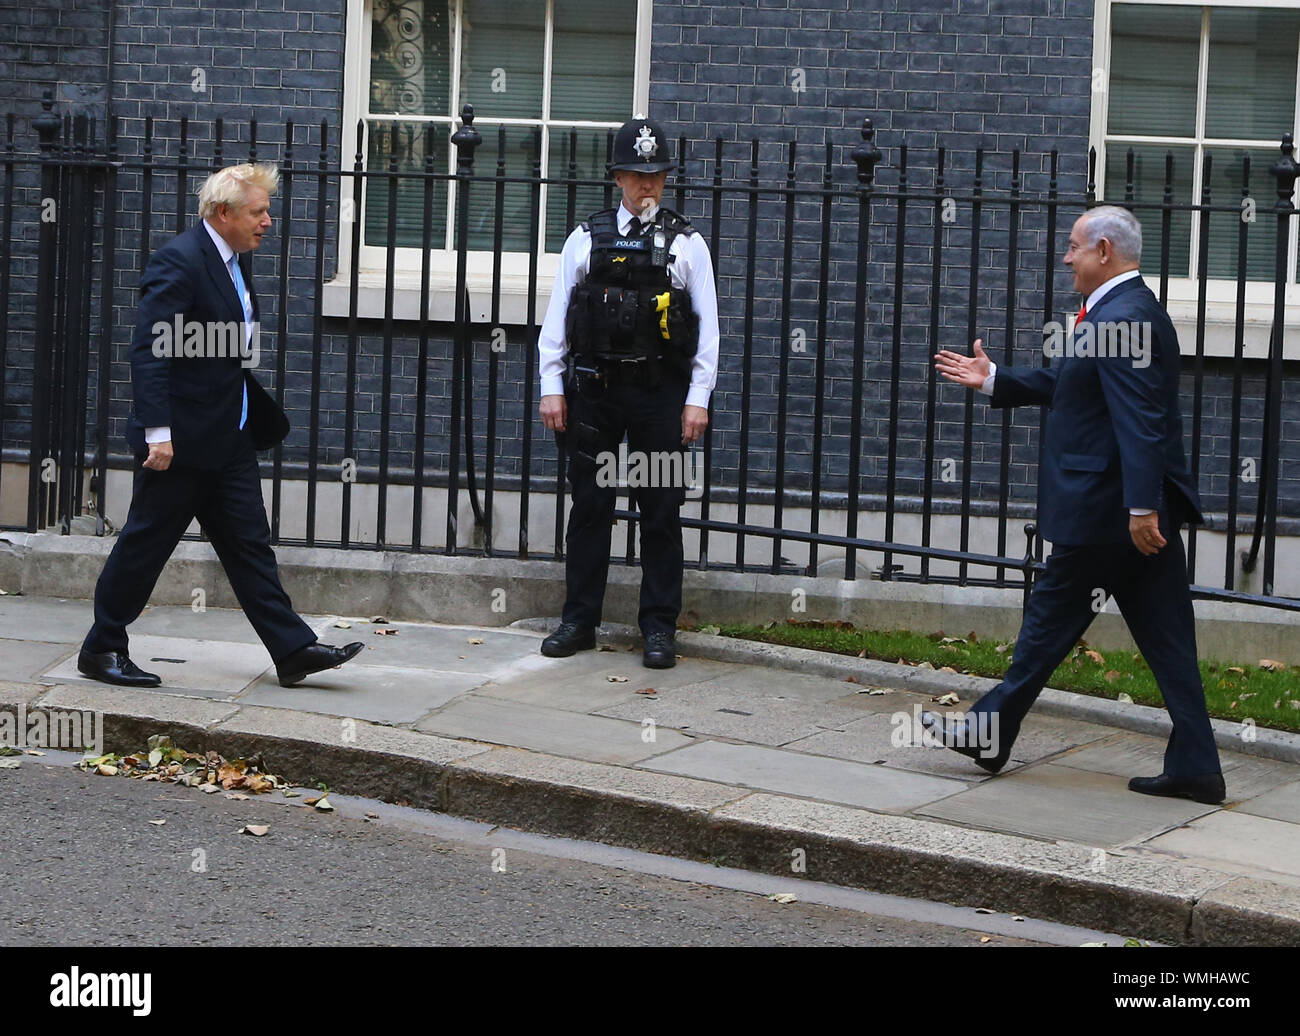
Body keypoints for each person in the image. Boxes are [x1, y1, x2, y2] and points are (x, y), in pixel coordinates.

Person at [929, 204, 1225, 805]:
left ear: (1105, 251)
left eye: (1074, 247)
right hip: (1125, 517)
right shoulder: (1117, 312)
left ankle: (989, 732)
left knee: (1047, 627)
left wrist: (1141, 508)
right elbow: (1071, 384)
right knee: (1167, 642)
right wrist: (994, 379)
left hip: (1109, 516)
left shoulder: (1127, 317)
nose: (1067, 258)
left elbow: (1142, 422)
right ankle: (1197, 765)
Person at [77, 163, 363, 689]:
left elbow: (224, 348)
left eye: (267, 211)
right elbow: (149, 351)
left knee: (250, 544)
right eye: (258, 212)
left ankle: (292, 648)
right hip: (181, 442)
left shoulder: (230, 260)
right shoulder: (180, 261)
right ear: (223, 212)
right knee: (145, 546)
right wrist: (158, 433)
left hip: (227, 436)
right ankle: (102, 647)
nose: (268, 221)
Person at [537, 116, 720, 669]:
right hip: (595, 393)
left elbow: (707, 330)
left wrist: (698, 397)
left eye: (657, 174)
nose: (648, 185)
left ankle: (659, 628)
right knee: (591, 506)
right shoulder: (584, 239)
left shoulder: (687, 245)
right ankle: (579, 620)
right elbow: (558, 322)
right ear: (617, 176)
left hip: (659, 396)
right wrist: (552, 386)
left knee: (660, 509)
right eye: (637, 174)